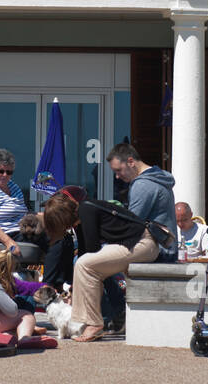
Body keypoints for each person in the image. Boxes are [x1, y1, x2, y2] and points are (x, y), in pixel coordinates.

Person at [71, 143, 176, 343]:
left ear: (131, 162)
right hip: (162, 246)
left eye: (118, 171)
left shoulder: (143, 185)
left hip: (155, 248)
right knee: (99, 261)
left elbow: (131, 223)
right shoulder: (158, 179)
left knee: (88, 264)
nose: (118, 177)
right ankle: (116, 317)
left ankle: (106, 319)